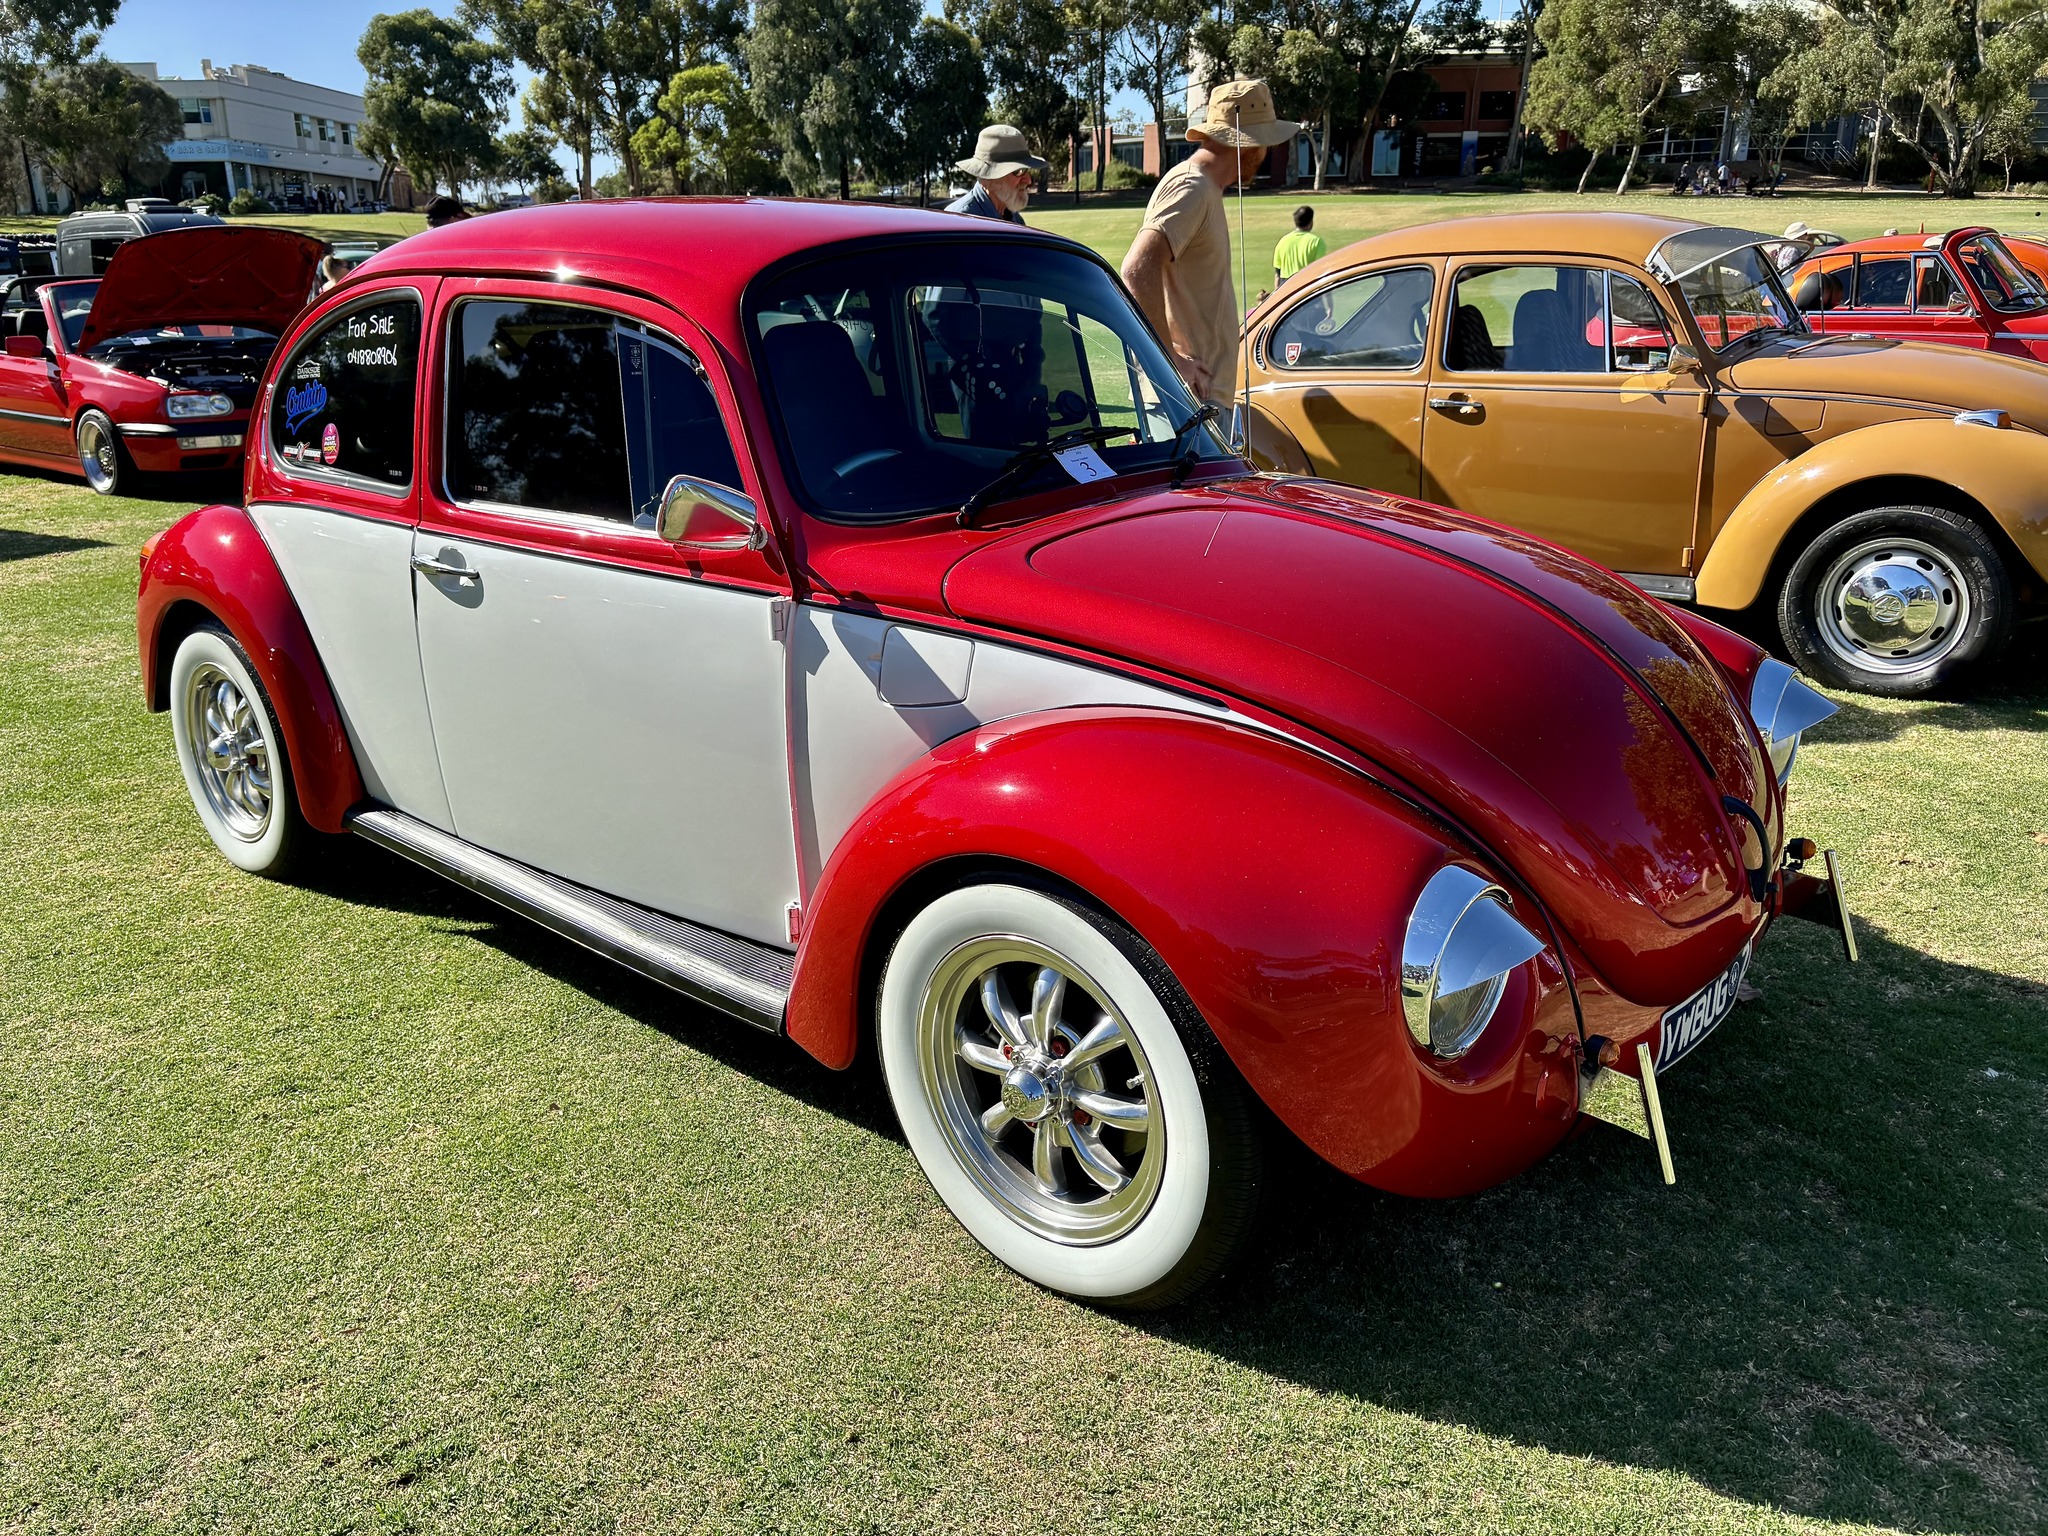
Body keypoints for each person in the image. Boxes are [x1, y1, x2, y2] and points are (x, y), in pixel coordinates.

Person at [1121, 77, 1298, 407]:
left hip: (1198, 394)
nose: (1266, 153)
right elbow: (1136, 270)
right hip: (1187, 396)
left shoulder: (1206, 188)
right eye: (1266, 143)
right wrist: (1171, 361)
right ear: (1249, 144)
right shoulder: (1191, 187)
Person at [946, 126, 1045, 224]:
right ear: (989, 176)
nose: (1028, 180)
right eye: (1018, 171)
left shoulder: (1016, 221)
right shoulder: (959, 221)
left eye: (1026, 170)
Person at [1273, 204, 1326, 288]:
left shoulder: (1282, 241)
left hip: (1286, 288)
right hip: (1307, 287)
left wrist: (1277, 293)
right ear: (1311, 222)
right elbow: (1320, 270)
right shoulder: (1317, 241)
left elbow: (1277, 274)